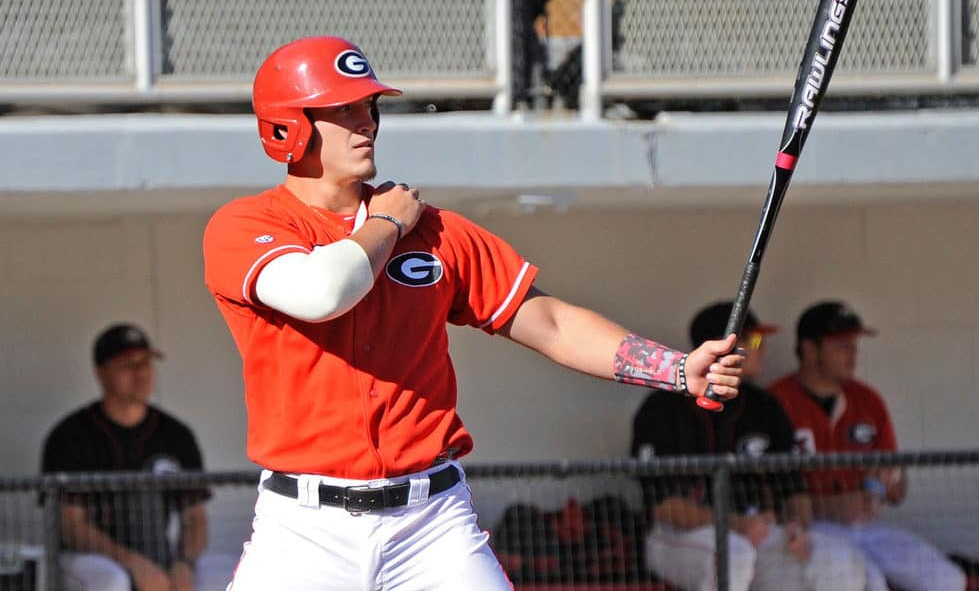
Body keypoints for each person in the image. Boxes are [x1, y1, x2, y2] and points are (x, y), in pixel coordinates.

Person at [201, 35, 744, 591]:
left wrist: (677, 369)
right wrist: (387, 224)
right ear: (287, 127)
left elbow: (552, 324)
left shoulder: (438, 231)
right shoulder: (245, 225)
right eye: (343, 109)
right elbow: (323, 292)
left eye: (370, 106)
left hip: (430, 524)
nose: (366, 122)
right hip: (303, 530)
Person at [632, 302, 866, 591]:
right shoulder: (663, 408)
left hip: (751, 529)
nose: (763, 349)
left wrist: (797, 527)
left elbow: (792, 487)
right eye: (753, 341)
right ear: (720, 348)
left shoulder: (763, 406)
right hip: (679, 537)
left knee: (835, 557)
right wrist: (738, 524)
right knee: (734, 554)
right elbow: (664, 508)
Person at [769, 300, 966, 591]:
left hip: (866, 526)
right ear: (809, 349)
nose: (853, 355)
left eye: (854, 345)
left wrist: (889, 480)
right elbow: (758, 495)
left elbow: (898, 490)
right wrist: (827, 506)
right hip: (811, 529)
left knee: (947, 579)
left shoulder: (867, 400)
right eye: (841, 346)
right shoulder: (774, 401)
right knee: (869, 581)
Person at [40, 323, 210, 591]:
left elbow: (195, 517)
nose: (141, 373)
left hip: (158, 555)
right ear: (100, 373)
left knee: (226, 572)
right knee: (112, 580)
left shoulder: (176, 434)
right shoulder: (70, 435)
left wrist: (184, 563)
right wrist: (131, 562)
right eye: (127, 365)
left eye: (145, 363)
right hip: (88, 557)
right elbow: (71, 526)